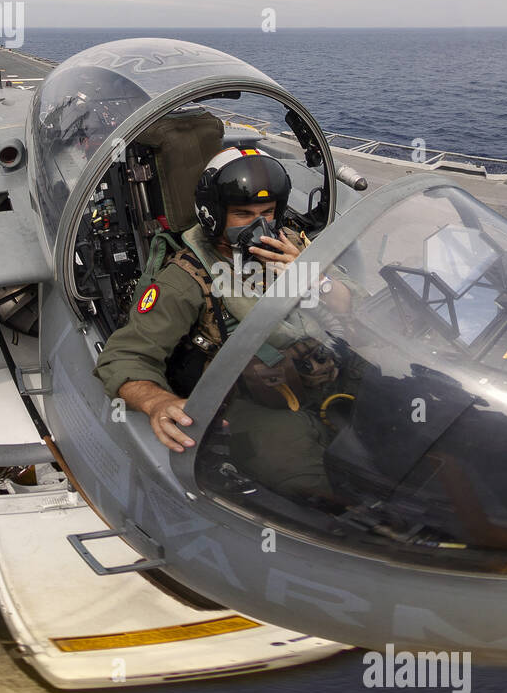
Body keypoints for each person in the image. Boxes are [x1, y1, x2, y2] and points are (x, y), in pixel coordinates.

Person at [92, 147, 339, 500]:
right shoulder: (184, 280)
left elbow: (355, 305)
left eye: (267, 212)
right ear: (213, 214)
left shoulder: (294, 248)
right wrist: (158, 403)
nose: (260, 224)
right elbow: (124, 357)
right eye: (242, 214)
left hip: (322, 370)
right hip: (249, 400)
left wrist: (316, 280)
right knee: (311, 488)